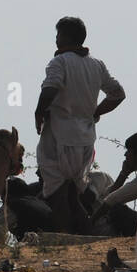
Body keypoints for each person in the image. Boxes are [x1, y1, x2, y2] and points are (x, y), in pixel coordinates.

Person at [32, 16, 126, 233]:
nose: (55, 39)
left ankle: (62, 239)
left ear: (65, 37)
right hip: (85, 140)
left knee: (57, 195)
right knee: (74, 195)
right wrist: (95, 112)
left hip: (60, 137)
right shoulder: (96, 64)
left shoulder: (60, 62)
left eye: (58, 35)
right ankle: (83, 236)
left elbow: (50, 88)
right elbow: (118, 93)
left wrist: (38, 113)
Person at [90, 132, 137, 236]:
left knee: (118, 210)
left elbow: (111, 200)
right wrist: (123, 174)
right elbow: (110, 197)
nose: (125, 155)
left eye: (128, 151)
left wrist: (90, 222)